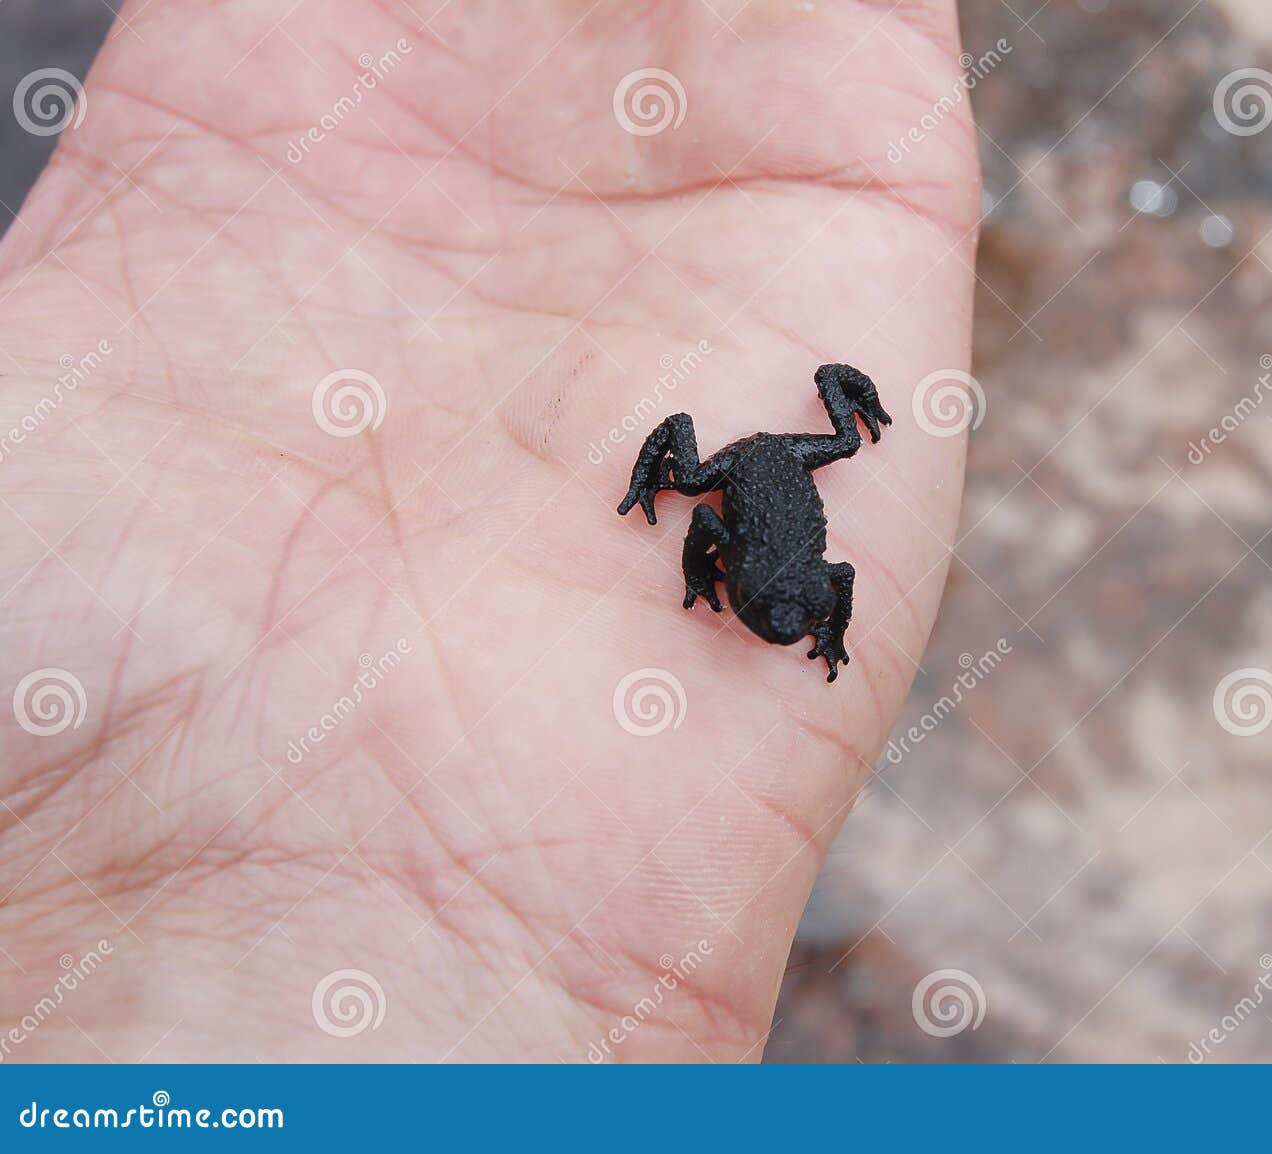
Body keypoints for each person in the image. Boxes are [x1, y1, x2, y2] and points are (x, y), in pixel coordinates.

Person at [0, 0, 977, 1061]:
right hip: (751, 467)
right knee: (696, 478)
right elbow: (746, 549)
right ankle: (670, 459)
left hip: (782, 466)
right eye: (767, 608)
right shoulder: (740, 552)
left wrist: (817, 626)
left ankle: (843, 404)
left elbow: (824, 578)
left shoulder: (790, 581)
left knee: (820, 449)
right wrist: (698, 569)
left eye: (771, 613)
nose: (776, 617)